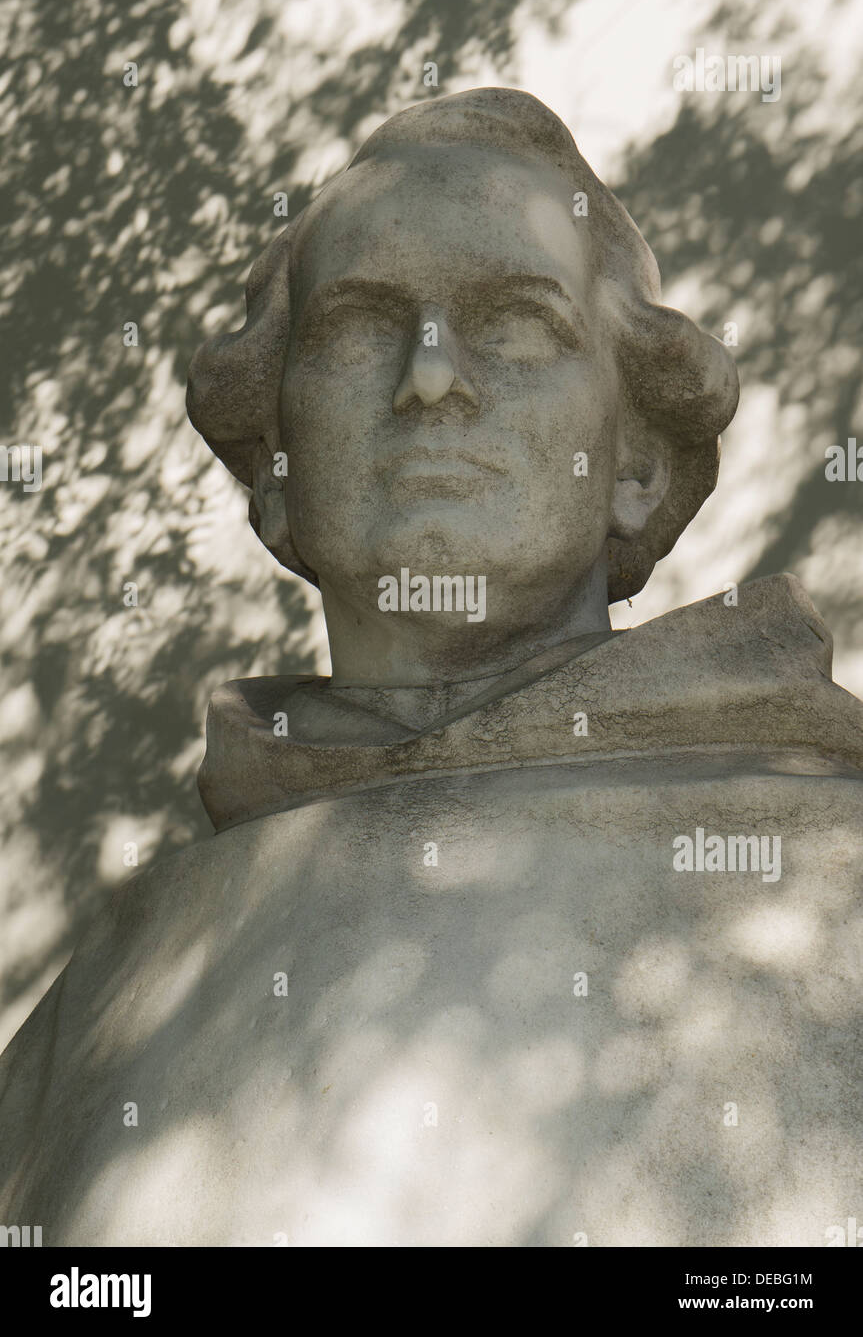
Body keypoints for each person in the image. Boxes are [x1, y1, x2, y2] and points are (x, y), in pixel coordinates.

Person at [1, 89, 860, 1247]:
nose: (428, 379)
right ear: (277, 474)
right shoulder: (104, 991)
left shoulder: (826, 873)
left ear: (636, 464)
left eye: (513, 321)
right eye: (358, 326)